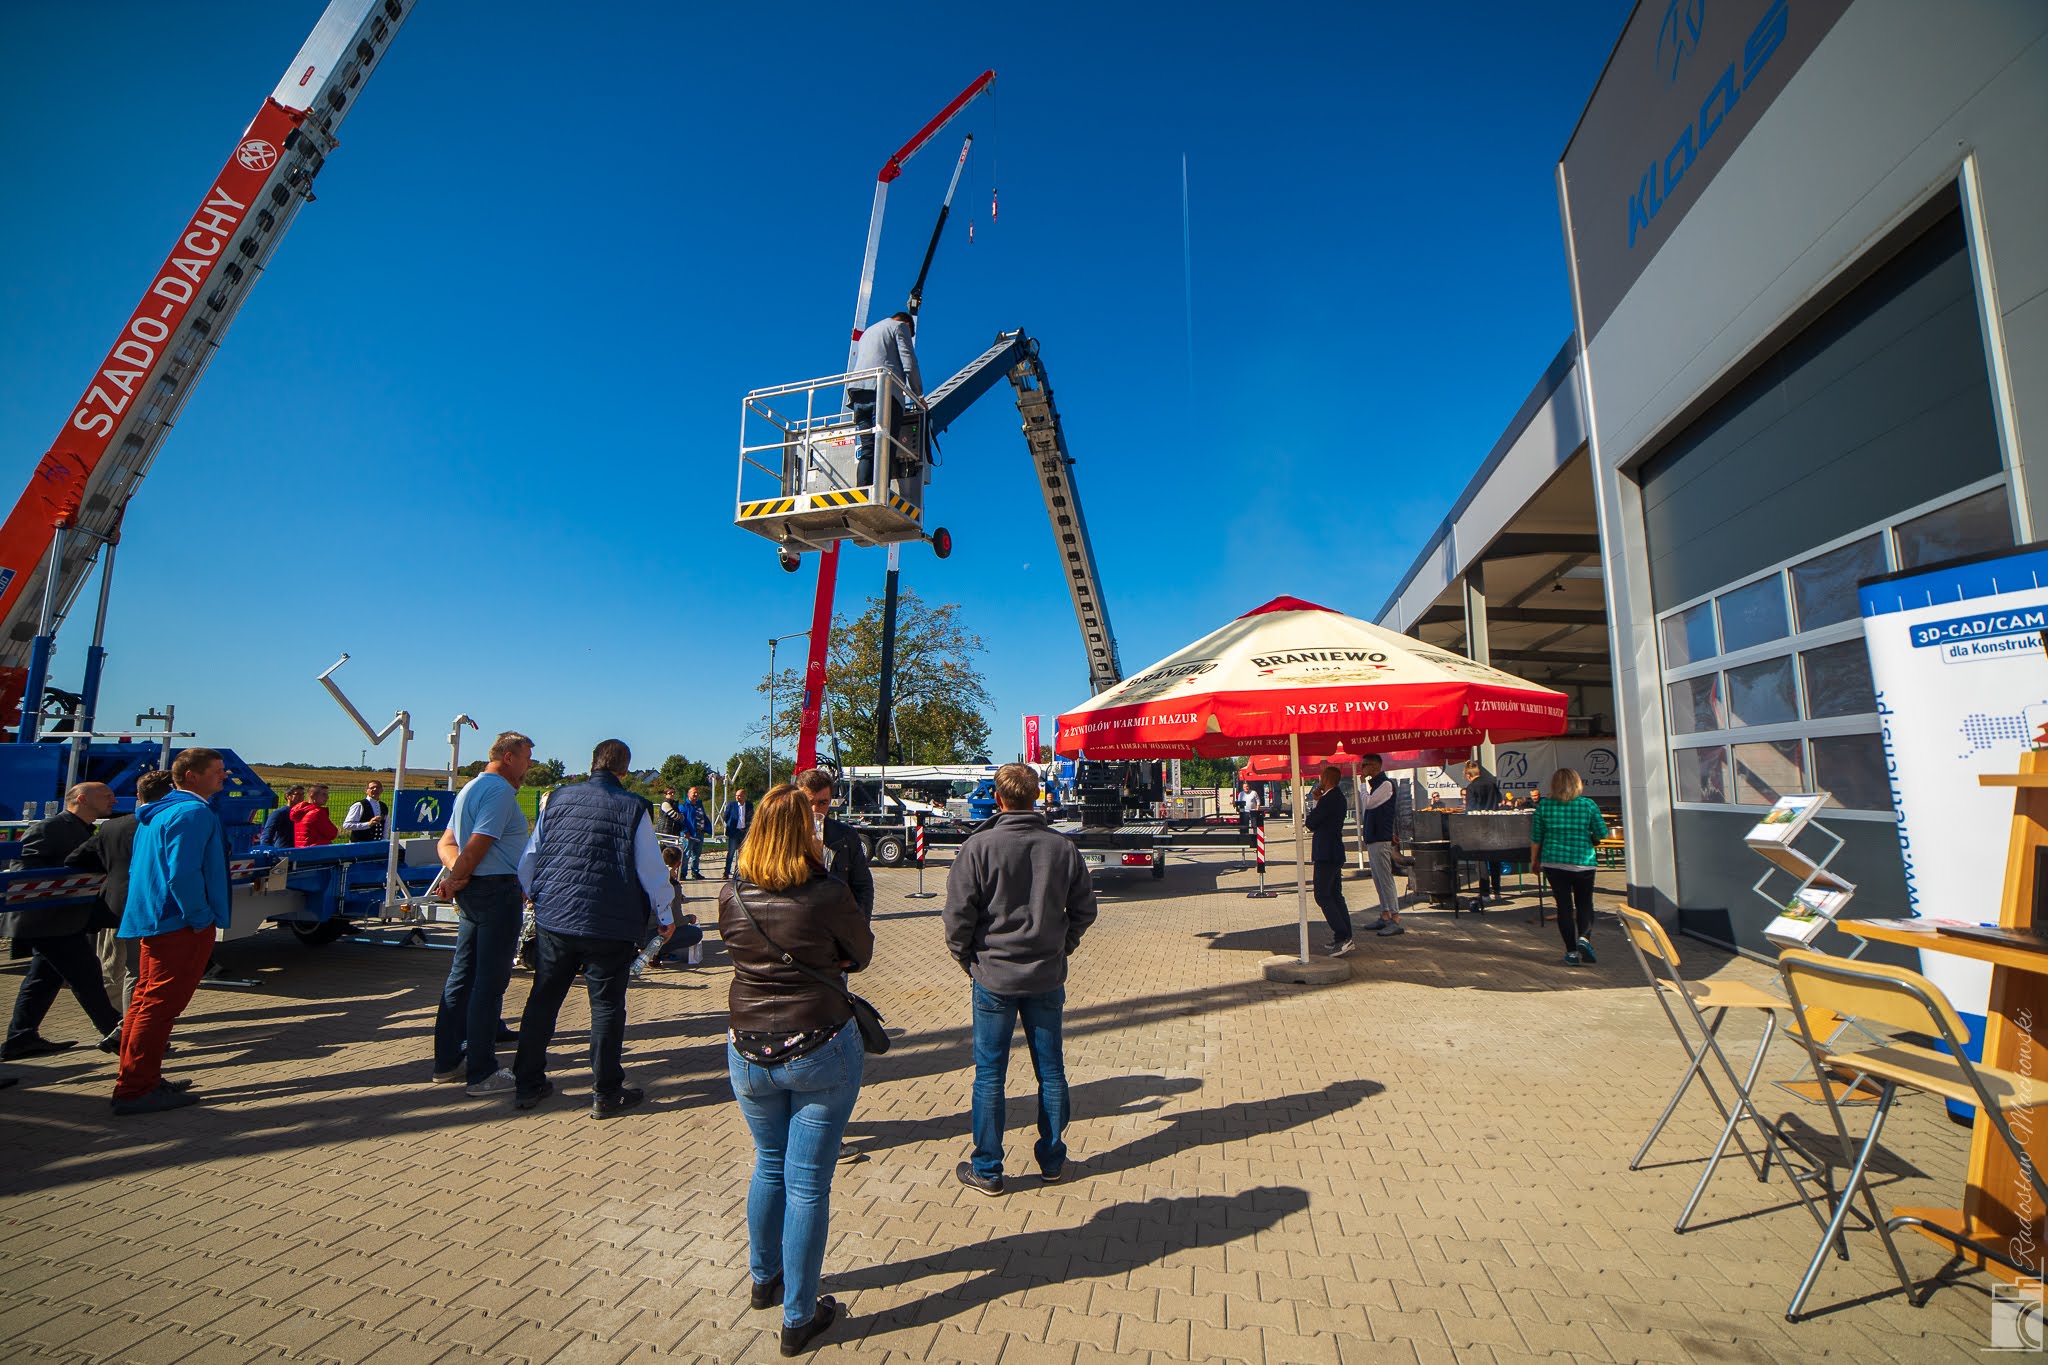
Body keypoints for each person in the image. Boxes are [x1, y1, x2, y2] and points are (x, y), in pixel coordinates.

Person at [719, 783, 871, 1354]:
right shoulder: (826, 893)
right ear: (800, 832)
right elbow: (862, 952)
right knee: (807, 1181)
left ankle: (765, 1280)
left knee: (770, 1164)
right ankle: (799, 1316)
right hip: (819, 1043)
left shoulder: (731, 893)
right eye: (810, 821)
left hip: (749, 1046)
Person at [943, 763, 1097, 1195]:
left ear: (998, 797)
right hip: (1045, 975)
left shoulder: (978, 846)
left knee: (990, 1074)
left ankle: (988, 1169)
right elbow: (1085, 909)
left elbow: (957, 916)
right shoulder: (1061, 847)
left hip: (993, 976)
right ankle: (1052, 1159)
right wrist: (1062, 946)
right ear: (1037, 796)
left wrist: (968, 959)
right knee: (1051, 1071)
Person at [513, 739, 675, 1116]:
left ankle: (527, 1082)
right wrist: (665, 917)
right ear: (624, 770)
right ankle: (605, 1091)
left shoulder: (555, 800)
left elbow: (531, 855)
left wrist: (532, 892)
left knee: (543, 1000)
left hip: (557, 918)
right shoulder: (634, 808)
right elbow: (651, 869)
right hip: (609, 922)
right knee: (605, 1007)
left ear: (592, 764)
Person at [111, 748, 233, 1115]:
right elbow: (183, 873)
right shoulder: (193, 813)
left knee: (146, 1001)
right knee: (160, 1005)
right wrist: (199, 917)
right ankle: (136, 1088)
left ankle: (138, 1077)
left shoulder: (157, 812)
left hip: (155, 918)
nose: (223, 777)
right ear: (192, 776)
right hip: (179, 922)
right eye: (217, 771)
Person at [432, 731, 535, 1095]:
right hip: (495, 890)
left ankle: (446, 1061)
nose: (529, 766)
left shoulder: (470, 788)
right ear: (508, 757)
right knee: (489, 984)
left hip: (475, 891)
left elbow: (447, 843)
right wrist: (458, 876)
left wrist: (455, 878)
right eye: (526, 758)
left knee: (462, 976)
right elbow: (479, 843)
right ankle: (481, 1072)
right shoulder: (499, 792)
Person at [2, 782, 124, 1060]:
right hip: (47, 920)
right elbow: (27, 872)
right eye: (106, 795)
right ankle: (119, 1036)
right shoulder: (50, 828)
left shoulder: (83, 829)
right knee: (87, 976)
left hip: (63, 919)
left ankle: (21, 1037)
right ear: (82, 798)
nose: (114, 800)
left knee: (43, 979)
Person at [70, 770, 177, 1021]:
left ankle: (112, 1018)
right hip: (150, 909)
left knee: (112, 965)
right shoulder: (170, 824)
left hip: (115, 906)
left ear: (139, 796)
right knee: (140, 972)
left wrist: (112, 872)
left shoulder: (113, 826)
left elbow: (76, 858)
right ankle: (129, 1026)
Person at [1530, 767, 1609, 966]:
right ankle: (1584, 938)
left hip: (1554, 862)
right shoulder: (1588, 805)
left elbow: (1536, 837)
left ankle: (1571, 952)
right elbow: (1602, 833)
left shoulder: (1545, 806)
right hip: (1583, 863)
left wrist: (1534, 860)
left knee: (1563, 907)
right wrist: (1591, 836)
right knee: (1584, 903)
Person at [847, 310, 923, 488]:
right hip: (882, 392)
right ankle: (882, 493)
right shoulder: (899, 327)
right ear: (907, 324)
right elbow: (909, 362)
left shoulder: (869, 332)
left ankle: (863, 491)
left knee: (867, 449)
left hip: (858, 393)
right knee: (885, 448)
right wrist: (918, 395)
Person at [793, 768, 874, 920]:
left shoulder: (845, 835)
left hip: (836, 925)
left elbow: (863, 885)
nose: (815, 810)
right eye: (809, 803)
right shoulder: (784, 835)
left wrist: (860, 927)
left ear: (831, 800)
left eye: (822, 803)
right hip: (798, 927)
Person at [1302, 765, 1354, 957]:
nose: (1319, 779)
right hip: (1334, 852)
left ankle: (1342, 935)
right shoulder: (1337, 797)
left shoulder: (1329, 799)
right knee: (1335, 895)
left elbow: (1311, 822)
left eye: (1322, 777)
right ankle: (1345, 935)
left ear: (1327, 779)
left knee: (1322, 895)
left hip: (1326, 853)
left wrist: (1317, 802)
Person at [1358, 755, 1403, 936]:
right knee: (1378, 878)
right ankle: (1385, 914)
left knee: (1385, 878)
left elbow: (1369, 803)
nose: (1362, 769)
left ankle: (1395, 917)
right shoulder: (1376, 785)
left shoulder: (1385, 785)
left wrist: (1361, 785)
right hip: (1374, 837)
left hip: (1380, 838)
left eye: (1364, 766)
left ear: (1374, 766)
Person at [1463, 760, 1506, 903]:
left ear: (1469, 775)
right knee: (1495, 860)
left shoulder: (1471, 788)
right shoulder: (1492, 784)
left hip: (1480, 827)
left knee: (1481, 862)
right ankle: (1497, 891)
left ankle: (1485, 893)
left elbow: (1470, 810)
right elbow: (1499, 801)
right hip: (1495, 824)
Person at [291, 784, 338, 848]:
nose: (327, 797)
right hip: (318, 851)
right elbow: (332, 833)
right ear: (312, 796)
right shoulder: (317, 813)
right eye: (324, 794)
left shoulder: (300, 812)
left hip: (302, 849)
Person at [722, 787, 753, 880]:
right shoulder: (731, 805)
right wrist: (730, 825)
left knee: (743, 853)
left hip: (744, 832)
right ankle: (726, 872)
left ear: (744, 796)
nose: (737, 797)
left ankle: (741, 872)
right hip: (733, 832)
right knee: (731, 853)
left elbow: (752, 816)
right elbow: (725, 816)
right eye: (736, 796)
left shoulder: (749, 805)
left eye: (739, 796)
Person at [681, 786, 711, 879]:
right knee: (686, 854)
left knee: (696, 855)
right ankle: (682, 873)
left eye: (697, 793)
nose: (695, 794)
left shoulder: (699, 805)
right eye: (693, 793)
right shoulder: (684, 807)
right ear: (688, 794)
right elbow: (682, 821)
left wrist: (707, 827)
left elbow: (703, 817)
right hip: (689, 834)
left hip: (699, 833)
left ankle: (695, 872)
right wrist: (685, 831)